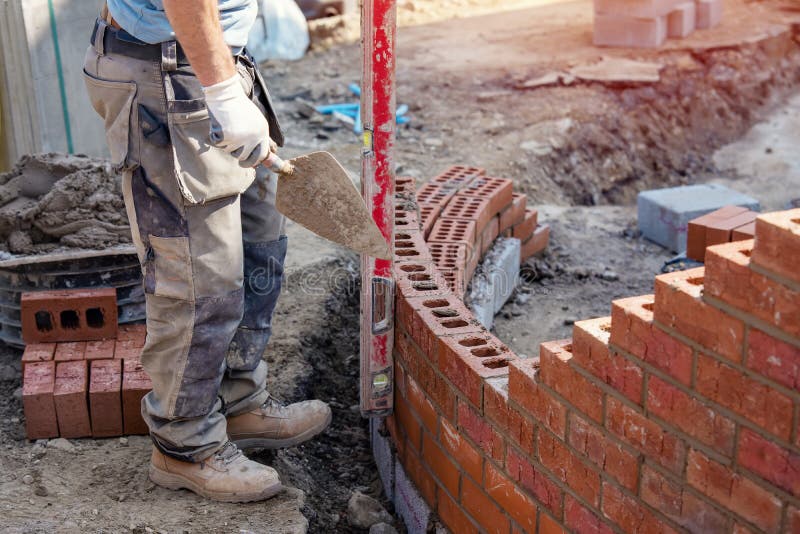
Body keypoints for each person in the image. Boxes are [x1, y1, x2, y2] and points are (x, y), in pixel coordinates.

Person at [83, 0, 331, 503]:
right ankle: (185, 443)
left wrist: (226, 84)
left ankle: (238, 402)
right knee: (200, 273)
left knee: (260, 243)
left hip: (216, 63)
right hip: (163, 72)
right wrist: (222, 93)